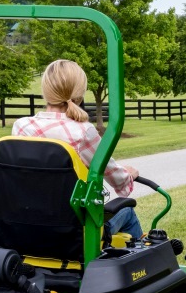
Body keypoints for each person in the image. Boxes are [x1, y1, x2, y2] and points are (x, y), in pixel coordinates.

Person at [11, 59, 143, 241]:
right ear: (79, 94)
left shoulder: (21, 127)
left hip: (23, 228)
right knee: (127, 211)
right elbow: (116, 178)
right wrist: (129, 175)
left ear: (46, 91)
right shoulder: (83, 132)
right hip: (72, 235)